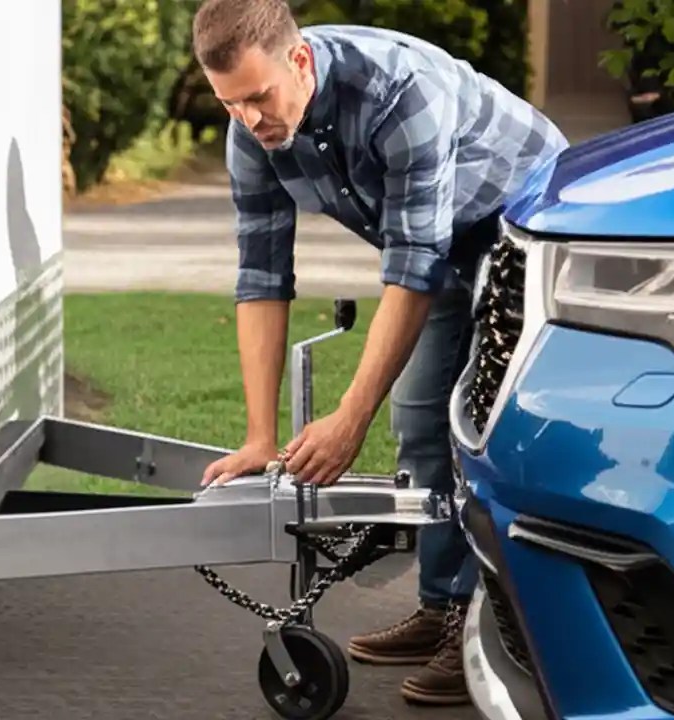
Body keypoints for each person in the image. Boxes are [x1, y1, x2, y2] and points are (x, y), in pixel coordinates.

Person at [192, 0, 568, 707]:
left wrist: (347, 416)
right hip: (439, 245)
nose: (248, 119)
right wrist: (259, 437)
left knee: (481, 431)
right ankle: (439, 610)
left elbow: (413, 266)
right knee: (418, 418)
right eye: (230, 104)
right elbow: (262, 276)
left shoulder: (401, 92)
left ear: (298, 61)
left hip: (524, 231)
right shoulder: (253, 130)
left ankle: (485, 632)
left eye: (258, 97)